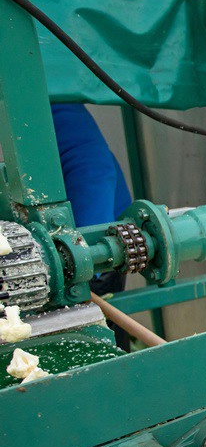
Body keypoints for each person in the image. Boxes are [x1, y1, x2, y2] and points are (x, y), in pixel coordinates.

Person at [52, 103, 134, 350]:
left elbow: (92, 168)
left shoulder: (42, 94)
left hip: (87, 248)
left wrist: (85, 262)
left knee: (99, 350)